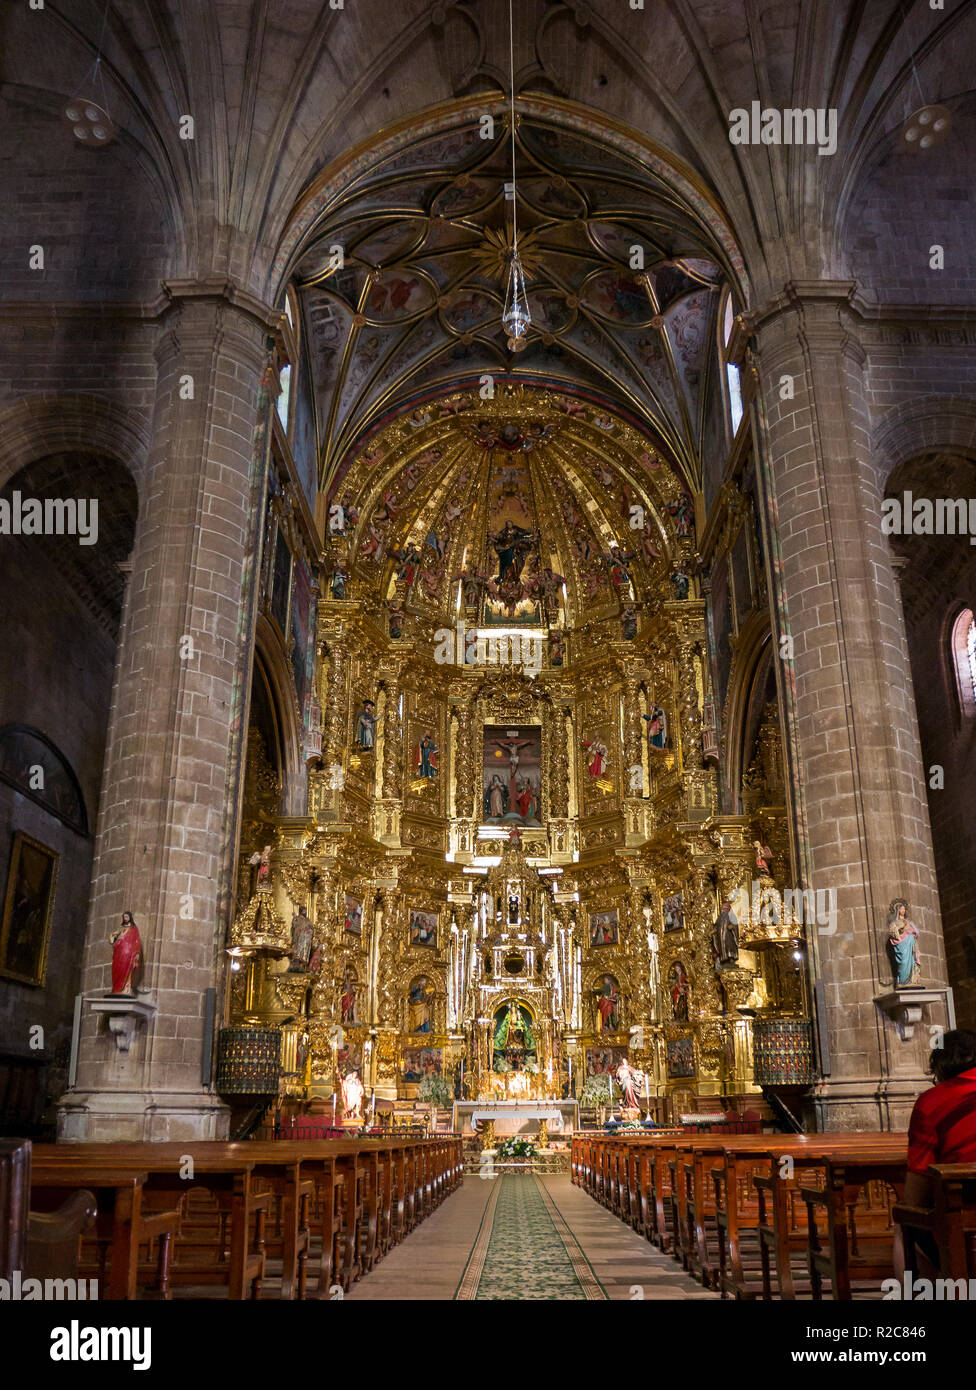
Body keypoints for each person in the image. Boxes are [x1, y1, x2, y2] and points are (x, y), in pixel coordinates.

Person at [901, 1030, 976, 1271]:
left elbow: (915, 1198)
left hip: (965, 1231)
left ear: (940, 1067)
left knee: (904, 1221)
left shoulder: (932, 1103)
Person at [111, 911, 142, 995]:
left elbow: (137, 941)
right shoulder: (121, 928)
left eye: (127, 917)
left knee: (127, 970)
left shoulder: (134, 929)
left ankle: (125, 989)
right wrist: (113, 937)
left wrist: (137, 953)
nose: (125, 918)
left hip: (129, 954)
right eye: (124, 917)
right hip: (119, 953)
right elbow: (113, 940)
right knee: (117, 969)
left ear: (130, 918)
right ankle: (117, 989)